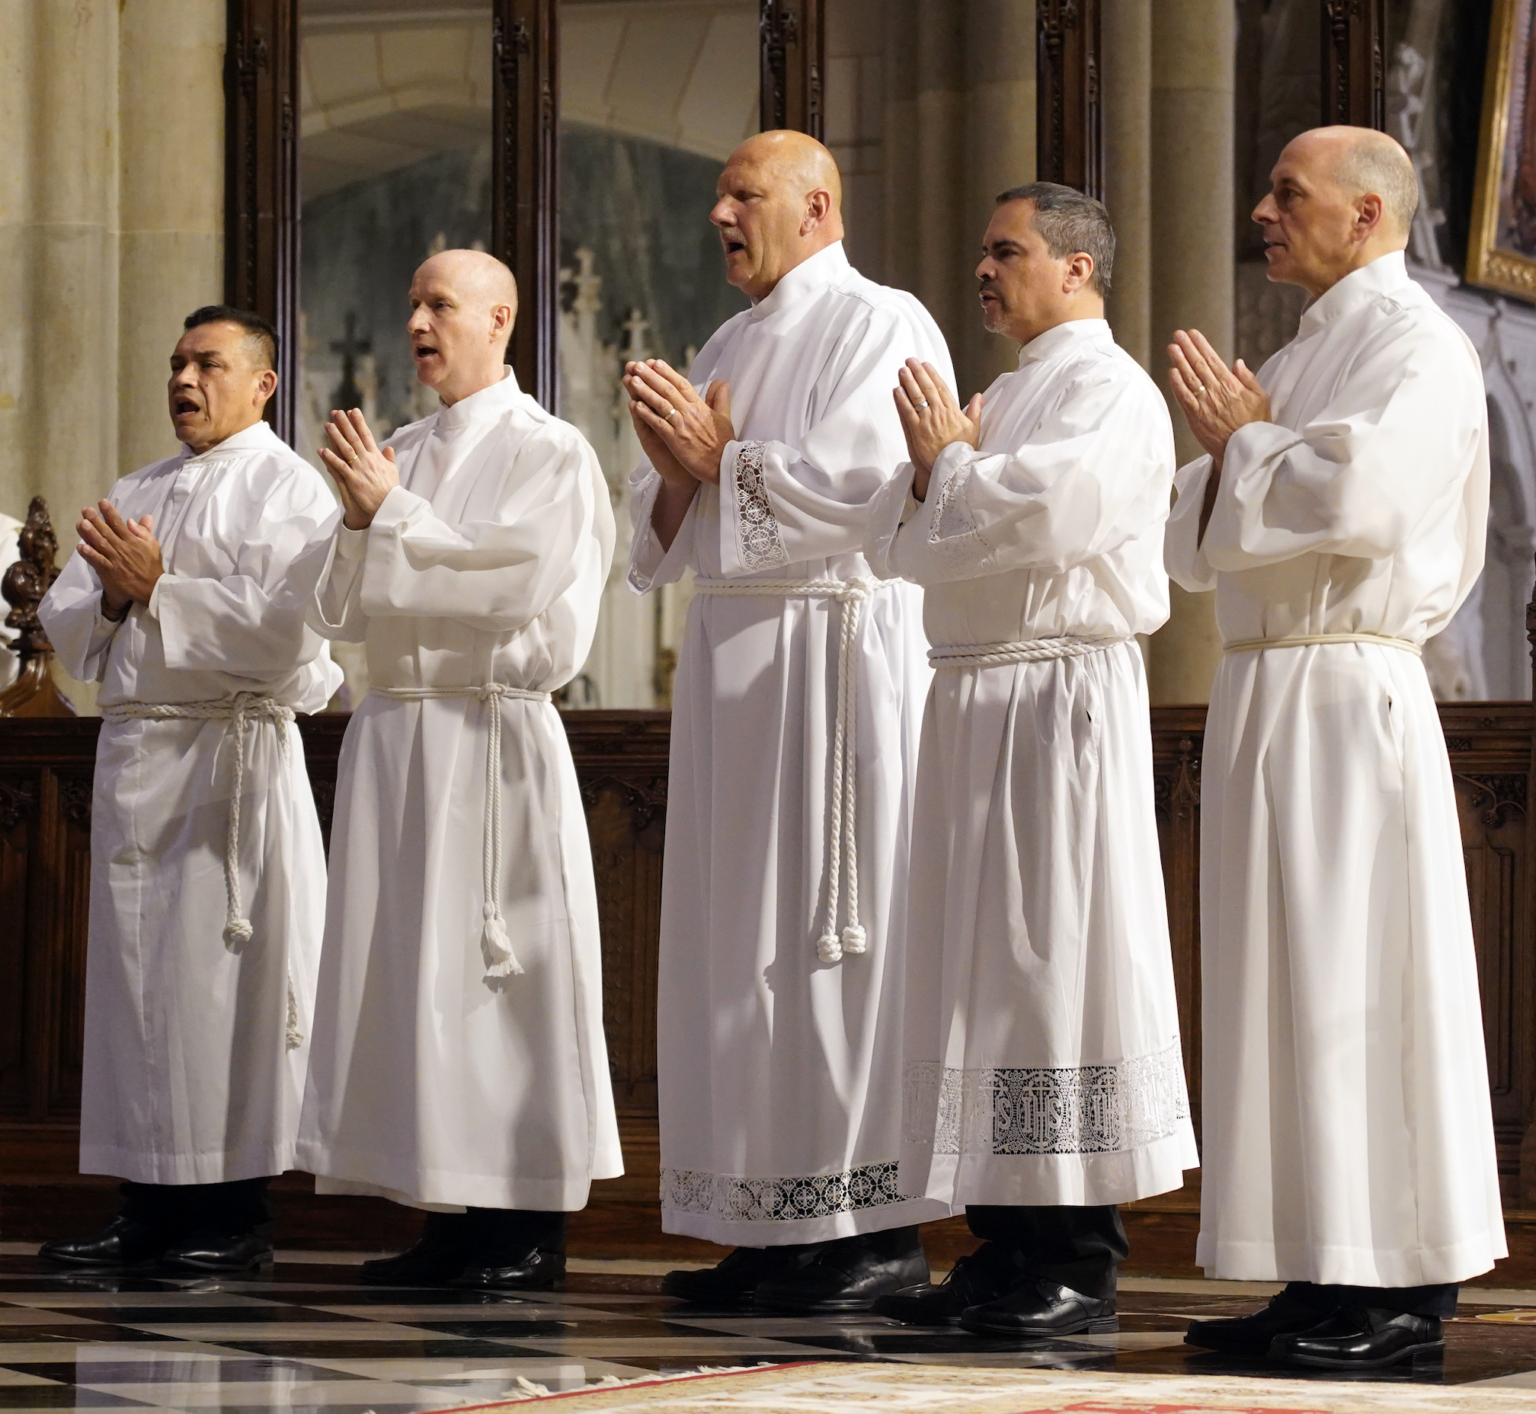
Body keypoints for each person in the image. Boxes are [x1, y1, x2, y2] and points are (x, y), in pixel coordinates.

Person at [1165, 126, 1505, 1370]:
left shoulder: (1420, 347)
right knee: (1280, 989)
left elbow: (1363, 503)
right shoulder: (1308, 353)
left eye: (1287, 194)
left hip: (1352, 687)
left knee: (1361, 986)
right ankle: (1317, 1265)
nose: (1263, 210)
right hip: (1265, 689)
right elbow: (1190, 544)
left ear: (1366, 215)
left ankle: (1397, 1285)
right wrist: (1246, 449)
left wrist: (1248, 446)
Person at [624, 130, 953, 1311]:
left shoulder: (882, 319)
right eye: (719, 193)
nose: (719, 211)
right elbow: (650, 540)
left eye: (742, 193)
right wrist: (677, 473)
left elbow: (870, 488)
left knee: (831, 946)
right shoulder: (723, 340)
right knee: (737, 953)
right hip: (731, 673)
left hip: (833, 663)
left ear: (818, 206)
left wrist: (725, 461)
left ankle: (868, 1229)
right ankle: (766, 1218)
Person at [863, 184, 1196, 1338]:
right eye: (984, 252)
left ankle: (1075, 1258)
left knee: (1055, 969)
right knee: (979, 976)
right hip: (973, 697)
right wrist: (933, 472)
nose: (985, 271)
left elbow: (1050, 517)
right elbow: (909, 546)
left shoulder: (1112, 390)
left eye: (1007, 251)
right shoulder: (1005, 395)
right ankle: (1003, 1246)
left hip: (1058, 698)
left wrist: (949, 466)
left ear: (1079, 270)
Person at [295, 248, 620, 1290]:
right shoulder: (397, 449)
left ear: (502, 319)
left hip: (491, 740)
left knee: (499, 981)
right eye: (413, 303)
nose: (419, 322)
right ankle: (444, 1207)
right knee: (410, 982)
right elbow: (331, 611)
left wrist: (389, 515)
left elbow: (509, 588)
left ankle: (521, 1227)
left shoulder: (550, 451)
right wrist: (357, 519)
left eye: (440, 303)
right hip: (397, 736)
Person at [36, 307, 341, 1272]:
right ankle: (147, 1203)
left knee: (222, 994)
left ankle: (229, 1215)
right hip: (141, 762)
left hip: (229, 767)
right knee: (137, 993)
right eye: (176, 363)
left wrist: (161, 589)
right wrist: (122, 592)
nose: (185, 380)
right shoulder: (140, 486)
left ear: (263, 383)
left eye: (209, 363)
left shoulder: (290, 489)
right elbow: (71, 622)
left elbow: (293, 637)